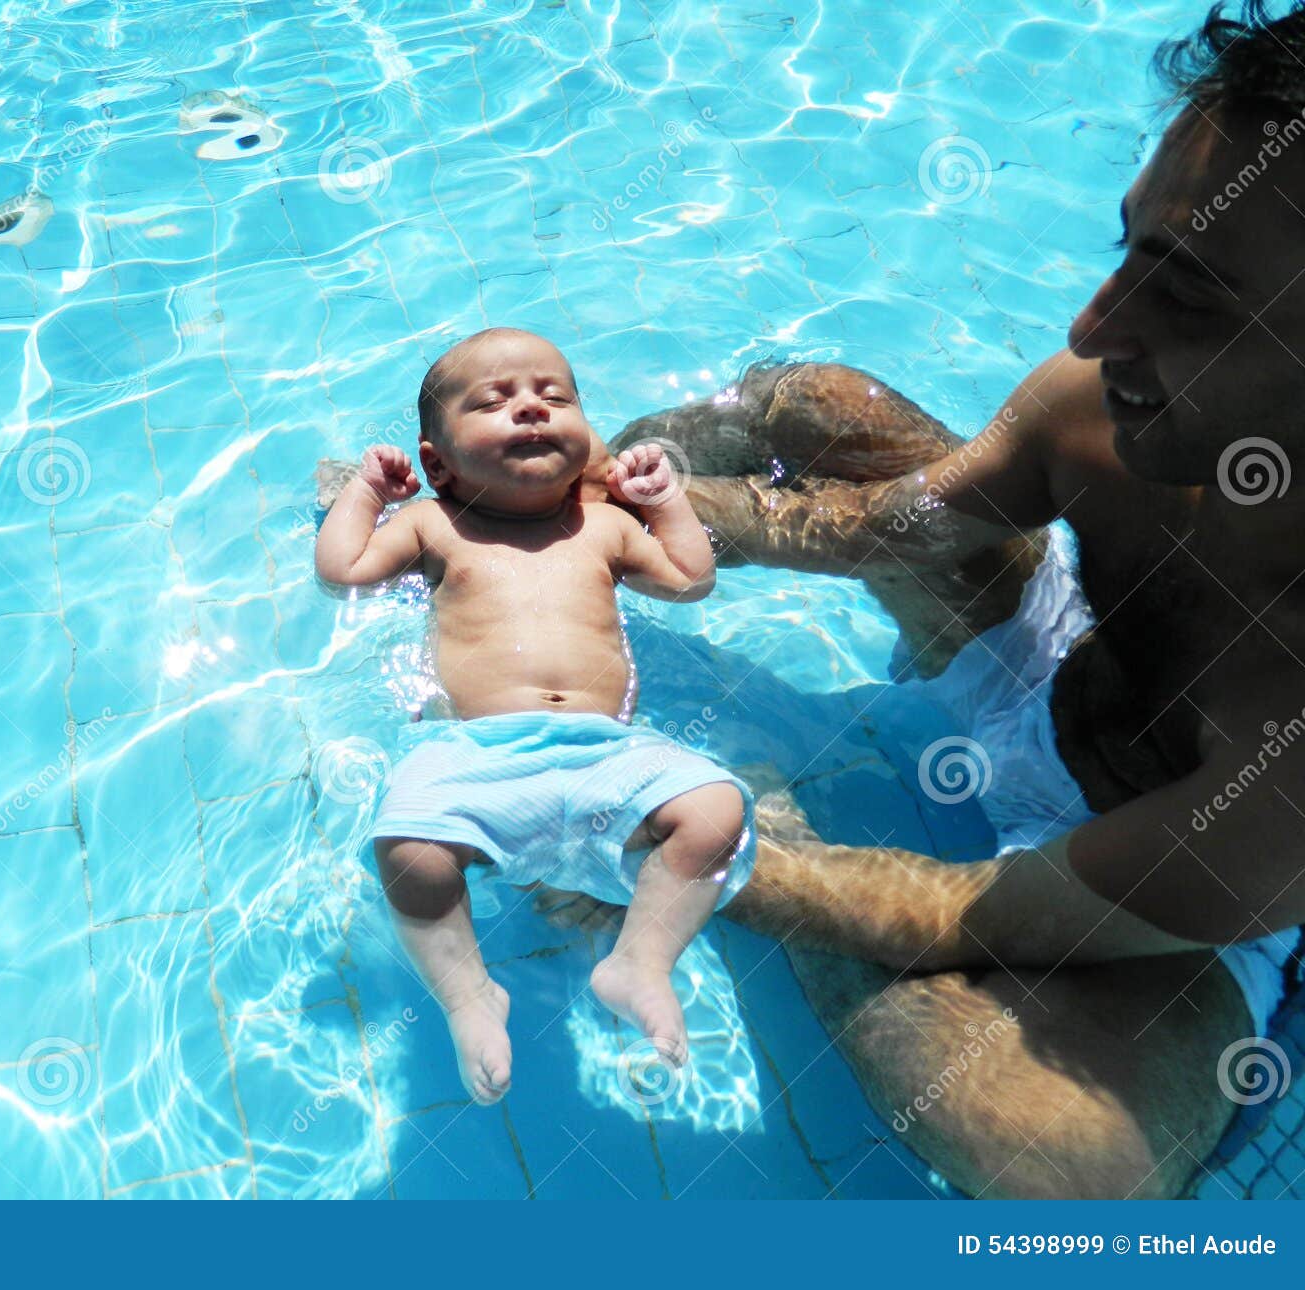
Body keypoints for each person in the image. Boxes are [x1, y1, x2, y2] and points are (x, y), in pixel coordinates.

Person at [553, 0, 1305, 1199]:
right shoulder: (1102, 398)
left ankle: (759, 802)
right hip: (1052, 670)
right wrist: (584, 522)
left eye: (1192, 294)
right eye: (1130, 252)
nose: (1094, 325)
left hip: (1178, 910)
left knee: (1056, 1176)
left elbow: (971, 913)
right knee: (819, 408)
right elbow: (863, 527)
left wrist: (670, 842)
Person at [313, 327, 755, 1104]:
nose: (530, 409)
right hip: (475, 750)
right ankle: (468, 994)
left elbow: (689, 581)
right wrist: (364, 495)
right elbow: (342, 573)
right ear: (438, 463)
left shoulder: (607, 528)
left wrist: (667, 501)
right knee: (409, 850)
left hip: (608, 748)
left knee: (717, 810)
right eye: (495, 401)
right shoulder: (433, 526)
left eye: (555, 397)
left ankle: (639, 960)